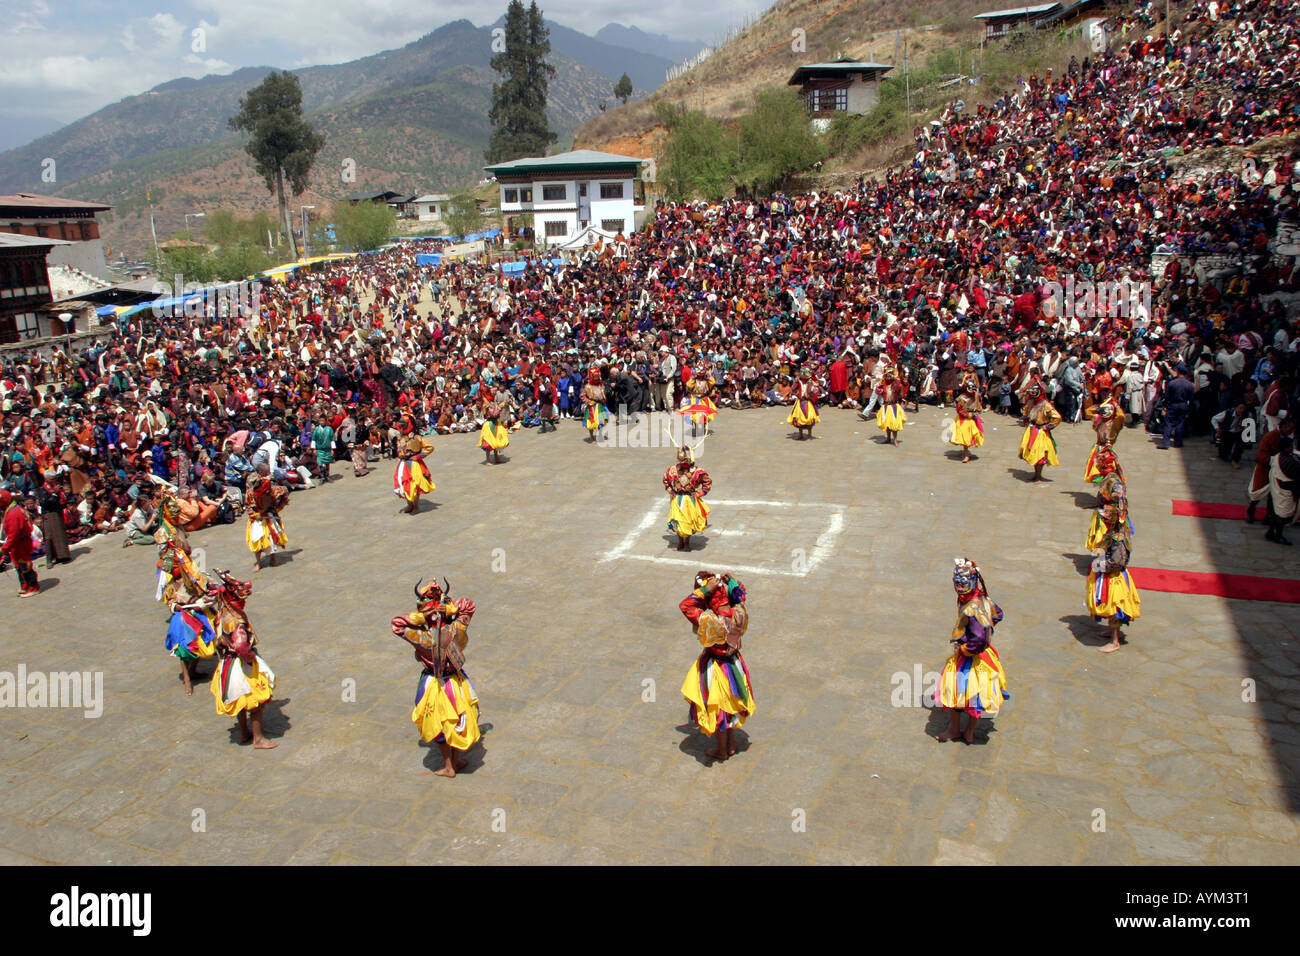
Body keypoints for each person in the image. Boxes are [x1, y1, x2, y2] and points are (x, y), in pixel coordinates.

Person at [391, 577, 480, 778]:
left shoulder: (422, 636)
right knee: (456, 720)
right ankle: (456, 761)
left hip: (433, 682)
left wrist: (420, 618)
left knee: (438, 724)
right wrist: (449, 611)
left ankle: (449, 765)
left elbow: (396, 624)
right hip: (455, 681)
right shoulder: (456, 628)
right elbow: (468, 605)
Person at [679, 571, 752, 761]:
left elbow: (686, 606)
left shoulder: (712, 622)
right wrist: (733, 581)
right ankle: (732, 744)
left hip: (717, 667)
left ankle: (722, 749)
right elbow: (740, 594)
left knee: (718, 709)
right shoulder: (739, 612)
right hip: (735, 664)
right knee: (730, 705)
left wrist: (705, 589)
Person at [935, 558, 1010, 743]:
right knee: (975, 695)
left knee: (957, 692)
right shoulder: (982, 598)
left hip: (971, 656)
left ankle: (956, 729)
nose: (959, 587)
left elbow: (980, 639)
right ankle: (969, 731)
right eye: (956, 583)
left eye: (963, 583)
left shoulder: (973, 608)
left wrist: (965, 648)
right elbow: (998, 614)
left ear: (972, 581)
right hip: (984, 655)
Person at [207, 570, 277, 748]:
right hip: (240, 663)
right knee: (256, 701)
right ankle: (258, 738)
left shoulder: (222, 613)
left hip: (227, 663)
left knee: (239, 698)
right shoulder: (236, 620)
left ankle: (244, 731)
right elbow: (241, 646)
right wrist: (251, 657)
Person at [156, 522, 216, 695]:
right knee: (184, 650)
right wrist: (186, 605)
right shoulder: (172, 584)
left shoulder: (193, 572)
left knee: (204, 643)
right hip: (185, 615)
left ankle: (193, 670)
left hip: (199, 609)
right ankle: (187, 680)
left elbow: (204, 585)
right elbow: (172, 605)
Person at [1087, 504, 1142, 653]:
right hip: (1113, 575)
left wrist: (1099, 565)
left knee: (1114, 607)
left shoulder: (1119, 538)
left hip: (1114, 577)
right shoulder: (1116, 532)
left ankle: (1115, 641)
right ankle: (1112, 633)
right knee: (1111, 607)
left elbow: (1117, 562)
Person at [664, 445, 711, 552]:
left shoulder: (698, 471)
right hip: (678, 498)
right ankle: (680, 542)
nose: (683, 462)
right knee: (678, 521)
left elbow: (707, 483)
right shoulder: (672, 470)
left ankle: (687, 543)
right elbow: (665, 480)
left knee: (688, 521)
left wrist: (699, 493)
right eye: (682, 460)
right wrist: (671, 491)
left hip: (690, 499)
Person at [1247, 416, 1293, 523]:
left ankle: (1269, 516)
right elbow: (1261, 456)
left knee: (1273, 495)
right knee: (1258, 493)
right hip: (1265, 469)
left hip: (1278, 471)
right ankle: (1251, 511)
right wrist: (1278, 460)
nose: (1291, 431)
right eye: (1290, 429)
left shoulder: (1287, 437)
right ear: (1284, 427)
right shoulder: (1270, 436)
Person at [244, 469, 288, 572]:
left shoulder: (271, 491)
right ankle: (259, 563)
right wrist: (255, 515)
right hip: (257, 519)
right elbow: (247, 507)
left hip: (269, 516)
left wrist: (279, 507)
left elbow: (284, 492)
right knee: (257, 540)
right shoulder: (249, 494)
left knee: (272, 539)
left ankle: (273, 559)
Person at [1018, 382, 1061, 481]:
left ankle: (1038, 476)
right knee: (1033, 452)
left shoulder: (1046, 405)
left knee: (1040, 454)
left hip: (1041, 432)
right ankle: (1036, 474)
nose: (1033, 393)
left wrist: (1047, 427)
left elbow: (1057, 417)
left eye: (1035, 391)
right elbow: (1025, 411)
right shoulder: (1031, 402)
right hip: (1031, 430)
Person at [0, 489, 38, 597]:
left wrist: (3, 549)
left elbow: (13, 535)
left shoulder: (12, 513)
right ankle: (25, 585)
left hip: (20, 542)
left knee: (24, 565)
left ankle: (33, 586)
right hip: (20, 542)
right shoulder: (15, 508)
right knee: (18, 565)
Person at [1264, 437, 1300, 546]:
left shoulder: (1281, 455)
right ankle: (1278, 536)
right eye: (1291, 446)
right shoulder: (1287, 461)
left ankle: (1270, 532)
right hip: (1285, 490)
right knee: (1283, 515)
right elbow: (1296, 473)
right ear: (1287, 447)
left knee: (1278, 512)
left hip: (1281, 487)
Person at [1082, 397, 1125, 482]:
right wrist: (1099, 407)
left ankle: (1106, 491)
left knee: (1108, 473)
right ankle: (1102, 492)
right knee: (1098, 472)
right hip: (1098, 449)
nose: (1105, 411)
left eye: (1109, 410)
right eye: (1104, 410)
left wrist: (1116, 406)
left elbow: (1121, 416)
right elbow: (1088, 411)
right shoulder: (1099, 420)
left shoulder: (1114, 425)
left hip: (1107, 451)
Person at [393, 435, 435, 515]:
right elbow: (399, 449)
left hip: (413, 464)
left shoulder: (417, 438)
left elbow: (430, 447)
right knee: (404, 484)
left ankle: (416, 507)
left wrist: (419, 456)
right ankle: (410, 505)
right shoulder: (400, 437)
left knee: (414, 484)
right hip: (403, 464)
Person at [950, 372, 985, 463]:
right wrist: (968, 415)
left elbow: (979, 406)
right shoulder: (961, 398)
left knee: (973, 436)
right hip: (964, 420)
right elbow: (959, 410)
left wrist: (977, 414)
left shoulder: (976, 396)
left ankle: (966, 452)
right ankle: (966, 455)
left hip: (973, 419)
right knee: (965, 438)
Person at [1159, 364, 1196, 449]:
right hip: (1183, 405)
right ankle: (1178, 442)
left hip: (1173, 404)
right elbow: (1191, 398)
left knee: (1168, 423)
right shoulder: (1189, 385)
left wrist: (1165, 405)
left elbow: (1167, 396)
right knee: (1180, 423)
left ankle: (1166, 443)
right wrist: (1190, 407)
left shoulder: (1172, 383)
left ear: (1178, 372)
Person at [786, 367, 820, 440]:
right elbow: (793, 389)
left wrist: (810, 395)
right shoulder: (798, 381)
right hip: (800, 401)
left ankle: (809, 435)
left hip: (808, 401)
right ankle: (800, 434)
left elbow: (815, 390)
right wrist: (797, 394)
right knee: (798, 417)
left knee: (809, 417)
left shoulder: (811, 381)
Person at [875, 367, 906, 445]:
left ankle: (895, 439)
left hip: (894, 406)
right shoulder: (883, 385)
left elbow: (901, 395)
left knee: (894, 424)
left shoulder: (897, 385)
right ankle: (888, 438)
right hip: (885, 405)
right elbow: (878, 392)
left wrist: (900, 389)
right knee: (887, 424)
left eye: (890, 376)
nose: (888, 378)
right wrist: (879, 389)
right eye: (887, 376)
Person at [582, 368, 609, 442]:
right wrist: (588, 401)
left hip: (600, 405)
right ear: (592, 376)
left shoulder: (601, 385)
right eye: (595, 376)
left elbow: (604, 394)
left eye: (597, 376)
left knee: (601, 422)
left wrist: (604, 399)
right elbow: (582, 396)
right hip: (592, 406)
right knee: (591, 422)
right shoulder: (588, 386)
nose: (596, 378)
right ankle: (592, 436)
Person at [312, 414, 335, 483]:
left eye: (323, 421)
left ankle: (327, 476)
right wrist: (314, 449)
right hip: (319, 449)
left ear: (326, 421)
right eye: (320, 421)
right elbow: (314, 439)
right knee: (320, 464)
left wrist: (332, 449)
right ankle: (322, 476)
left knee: (327, 463)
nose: (322, 422)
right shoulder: (316, 429)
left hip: (327, 449)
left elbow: (332, 439)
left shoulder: (329, 429)